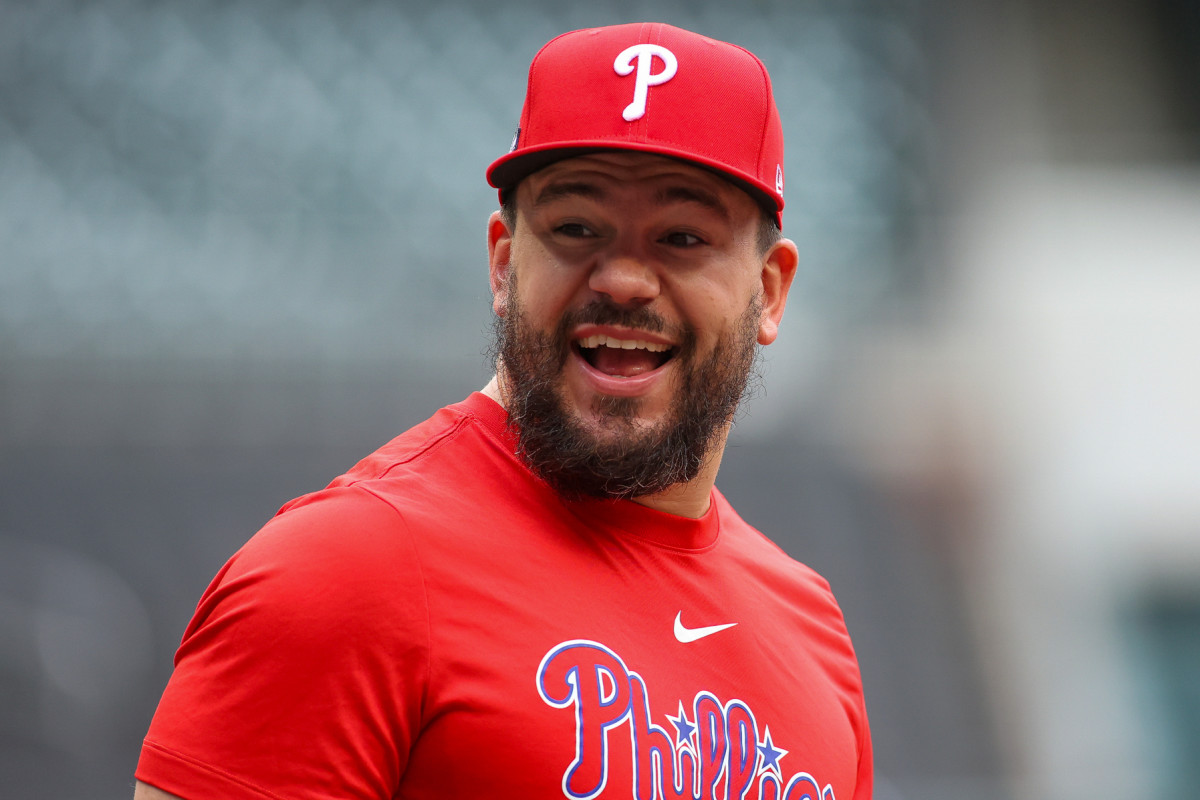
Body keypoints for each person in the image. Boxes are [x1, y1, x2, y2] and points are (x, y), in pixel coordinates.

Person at [134, 21, 872, 800]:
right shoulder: (347, 572)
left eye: (682, 236)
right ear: (503, 260)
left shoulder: (809, 626)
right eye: (575, 228)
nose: (622, 278)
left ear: (772, 291)